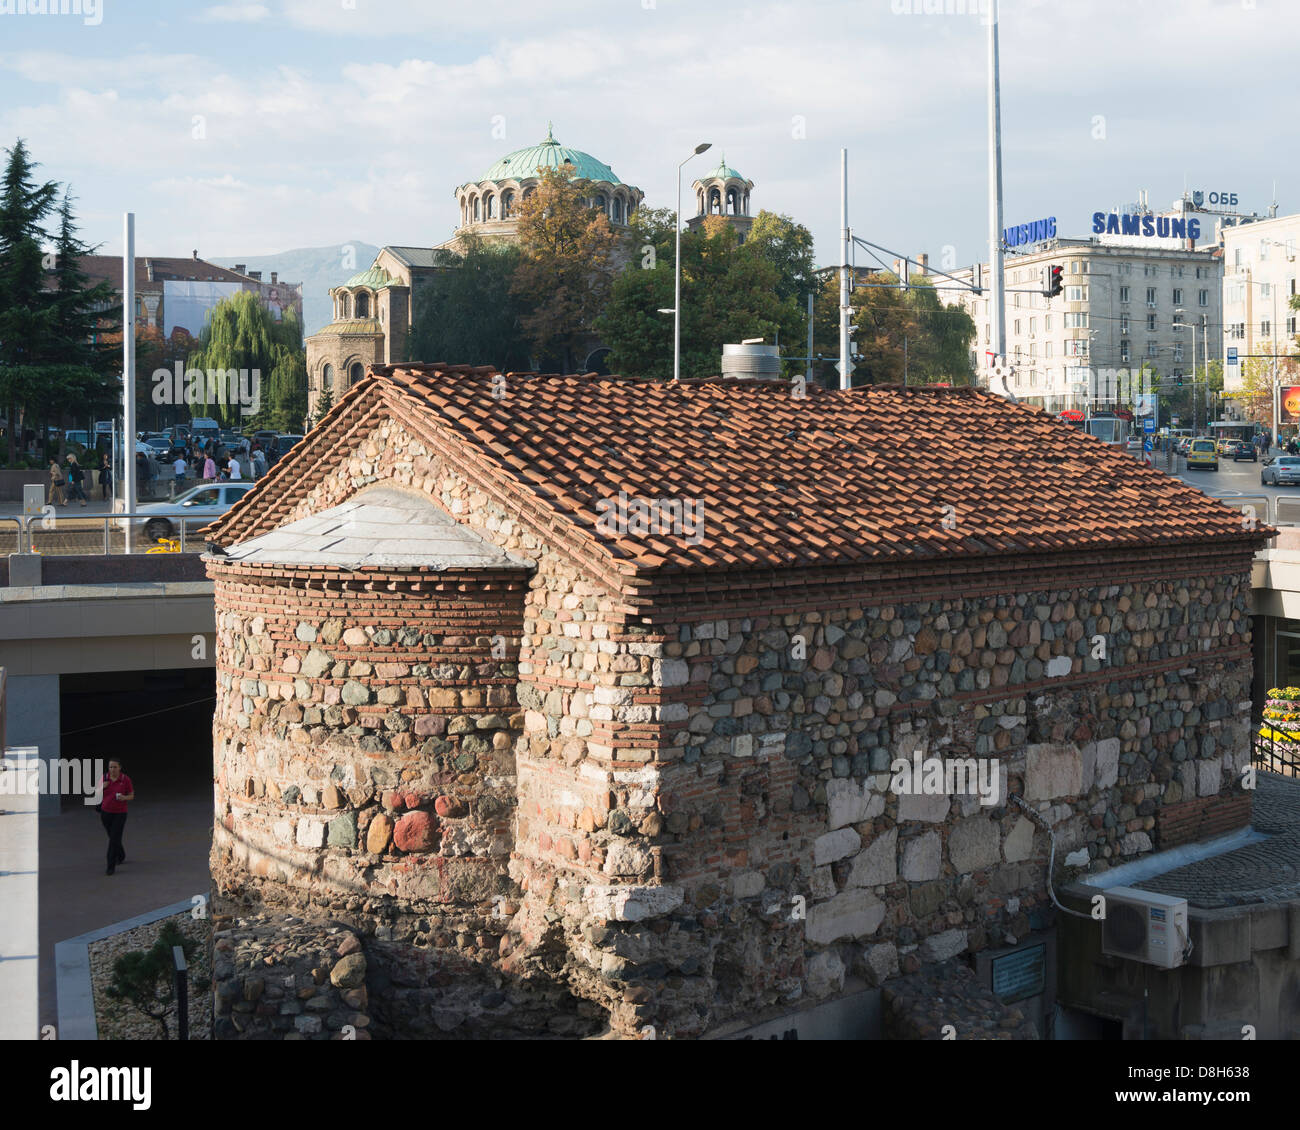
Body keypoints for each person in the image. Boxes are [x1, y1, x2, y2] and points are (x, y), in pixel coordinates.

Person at [98, 758, 135, 875]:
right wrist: (101, 787)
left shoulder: (125, 780)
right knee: (113, 836)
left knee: (114, 838)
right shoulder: (104, 778)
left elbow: (131, 795)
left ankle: (110, 866)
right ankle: (121, 854)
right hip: (106, 813)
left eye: (115, 767)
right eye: (110, 767)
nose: (112, 769)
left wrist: (124, 798)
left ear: (120, 768)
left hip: (120, 813)